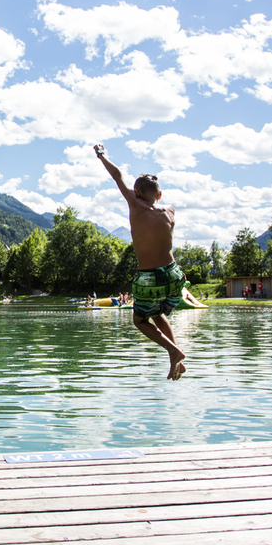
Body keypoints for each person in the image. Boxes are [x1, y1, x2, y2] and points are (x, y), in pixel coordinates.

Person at [94, 143, 187, 381]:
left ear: (136, 193)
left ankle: (174, 351)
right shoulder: (170, 210)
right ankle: (174, 356)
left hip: (149, 277)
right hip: (175, 275)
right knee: (158, 313)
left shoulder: (135, 204)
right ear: (160, 194)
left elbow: (117, 176)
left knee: (139, 320)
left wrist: (102, 155)